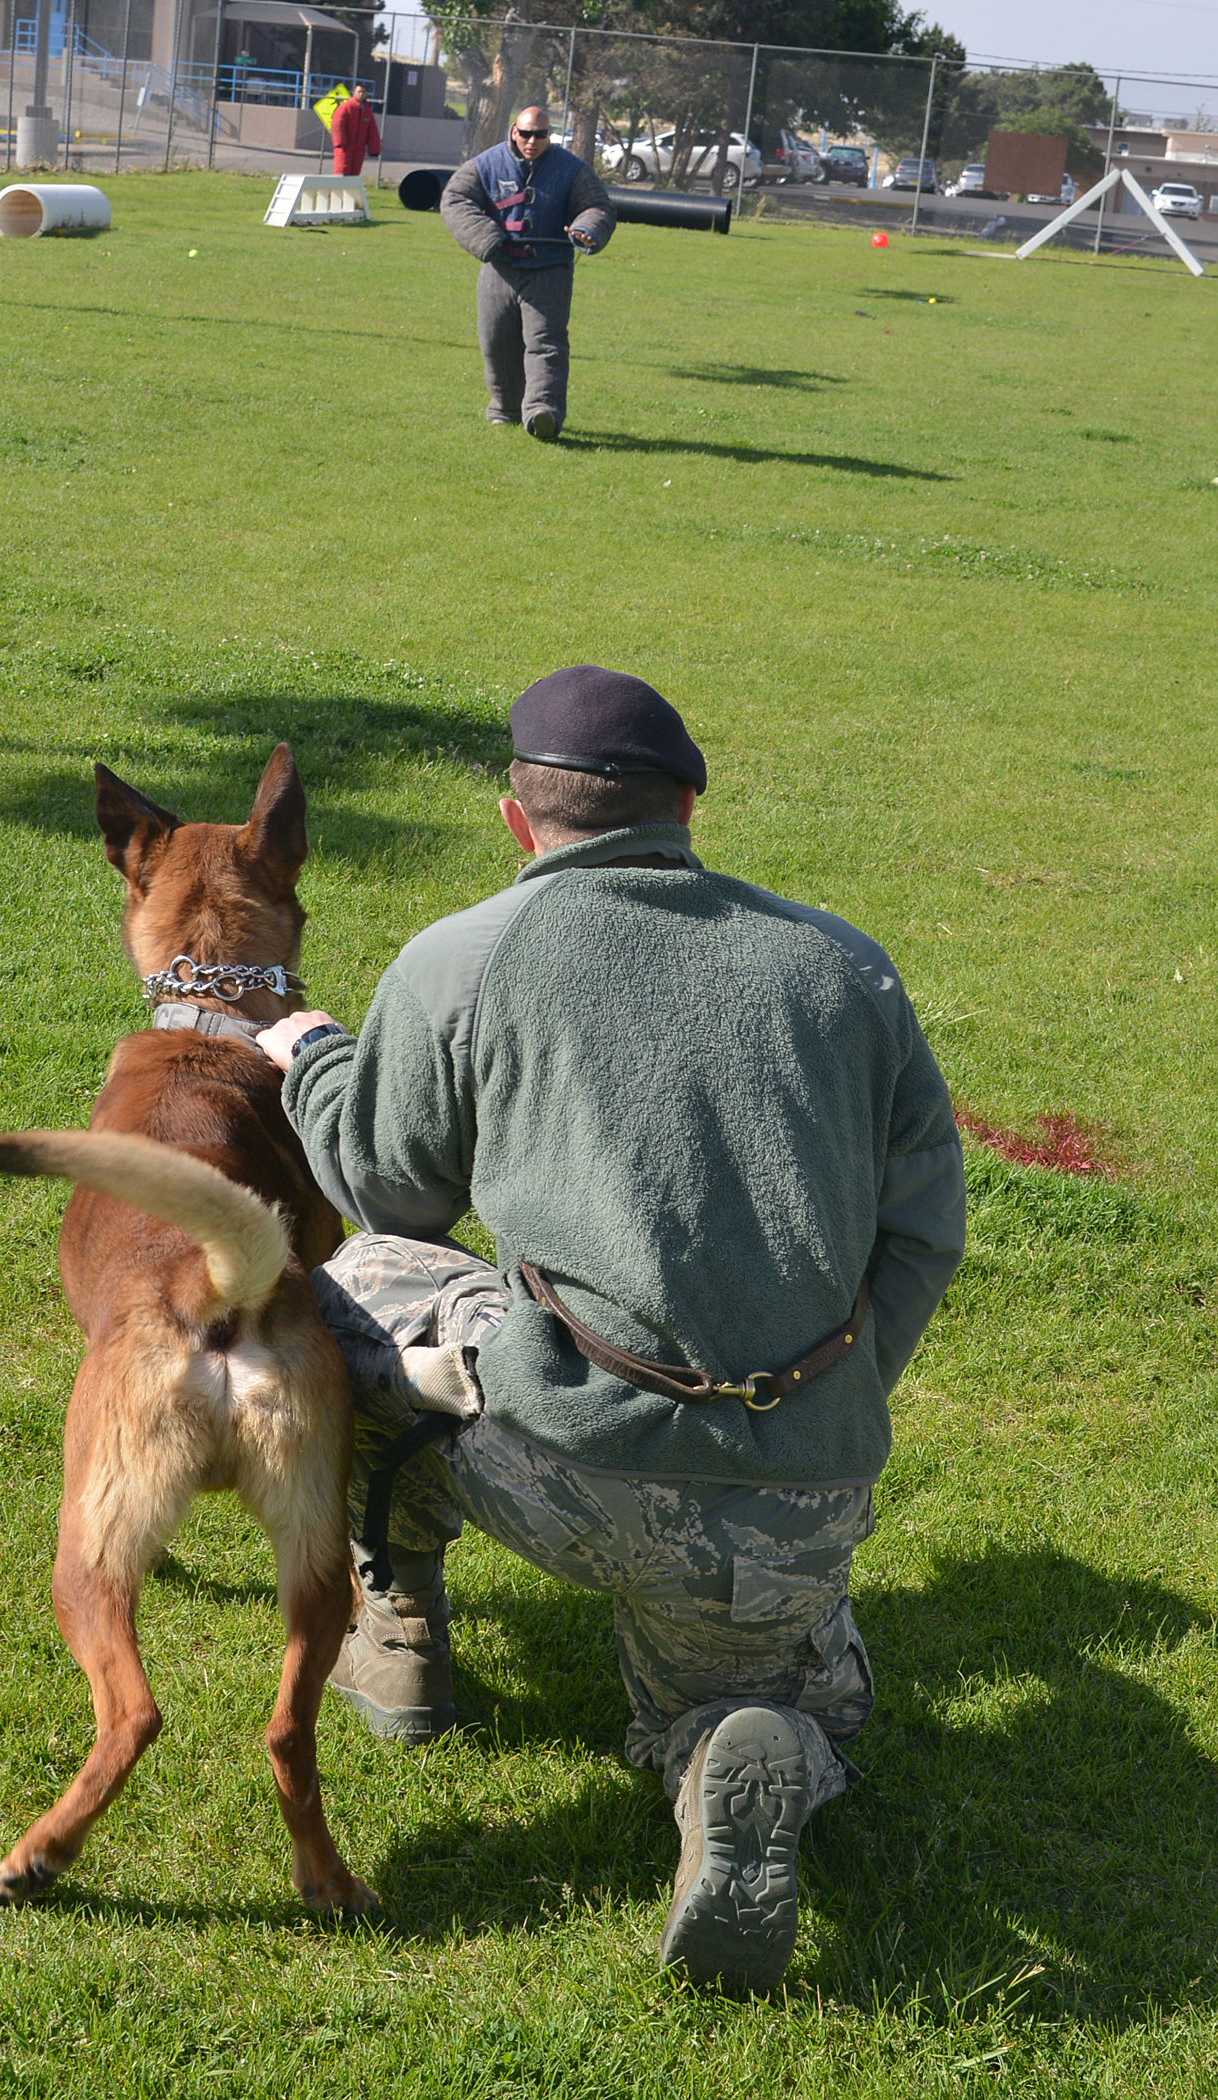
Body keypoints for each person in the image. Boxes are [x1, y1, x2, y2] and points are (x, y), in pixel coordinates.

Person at [255, 665, 966, 1990]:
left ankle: (394, 1629)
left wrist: (316, 1058)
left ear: (517, 821)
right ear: (687, 807)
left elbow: (392, 1192)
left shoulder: (463, 956)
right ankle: (730, 1750)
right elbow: (924, 1233)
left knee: (357, 1284)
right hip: (799, 1494)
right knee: (775, 1699)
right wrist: (836, 1395)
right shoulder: (846, 966)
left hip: (566, 1466)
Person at [440, 105, 615, 440]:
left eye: (540, 135)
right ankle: (505, 408)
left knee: (545, 343)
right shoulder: (486, 164)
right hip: (499, 267)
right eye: (525, 134)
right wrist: (485, 238)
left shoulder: (572, 169)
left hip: (550, 270)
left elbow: (597, 206)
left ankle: (542, 412)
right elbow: (455, 199)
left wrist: (586, 229)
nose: (532, 141)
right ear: (514, 131)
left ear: (550, 135)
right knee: (495, 343)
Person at [331, 82, 381, 178]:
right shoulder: (346, 107)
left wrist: (374, 149)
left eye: (363, 92)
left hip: (360, 147)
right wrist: (340, 142)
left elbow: (372, 131)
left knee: (355, 173)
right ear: (354, 93)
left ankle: (351, 189)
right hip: (345, 146)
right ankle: (337, 188)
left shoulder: (367, 111)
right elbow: (337, 124)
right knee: (342, 171)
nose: (361, 94)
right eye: (359, 92)